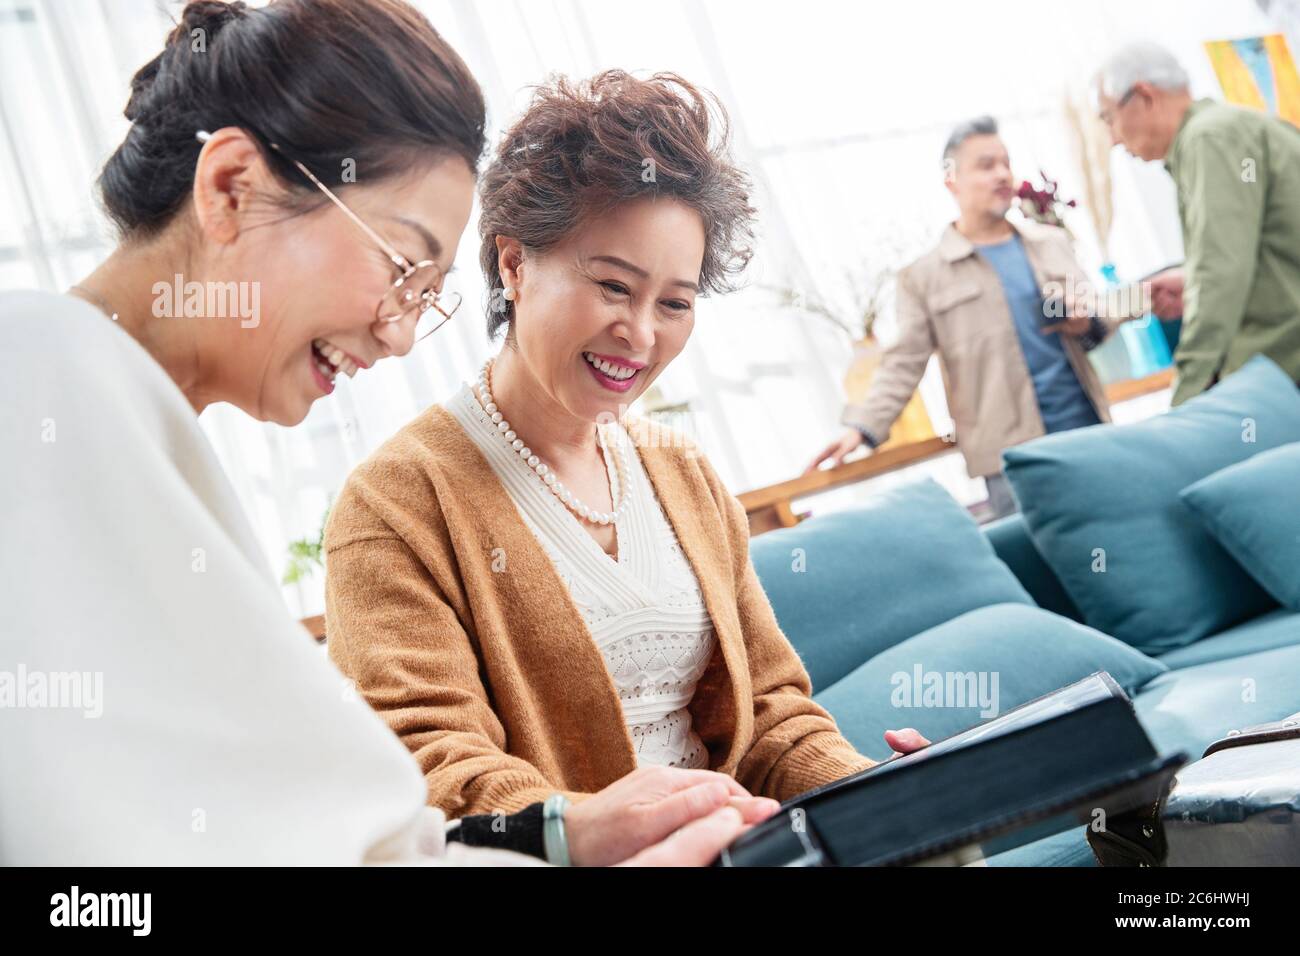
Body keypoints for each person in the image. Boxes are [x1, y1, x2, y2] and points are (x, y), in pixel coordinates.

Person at [0, 0, 780, 866]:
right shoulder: (37, 376)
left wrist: (561, 837)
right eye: (402, 264)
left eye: (429, 291)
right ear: (230, 189)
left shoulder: (120, 411)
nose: (401, 334)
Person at [323, 70, 930, 823]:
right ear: (513, 263)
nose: (641, 335)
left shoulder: (684, 472)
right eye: (613, 286)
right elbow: (427, 761)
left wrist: (870, 791)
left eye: (673, 303)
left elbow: (772, 714)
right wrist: (593, 829)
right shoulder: (396, 502)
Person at [807, 116, 1120, 518]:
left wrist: (1085, 322)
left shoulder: (1051, 243)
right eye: (986, 165)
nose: (1003, 174)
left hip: (1089, 433)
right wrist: (861, 428)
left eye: (1006, 163)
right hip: (1011, 461)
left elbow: (1102, 318)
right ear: (951, 179)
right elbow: (903, 362)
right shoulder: (924, 277)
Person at [1096, 40, 1300, 404]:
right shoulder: (1226, 128)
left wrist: (1185, 402)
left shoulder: (1210, 138)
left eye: (1108, 117)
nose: (1112, 138)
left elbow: (1221, 275)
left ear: (1144, 96)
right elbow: (1261, 255)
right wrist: (1193, 281)